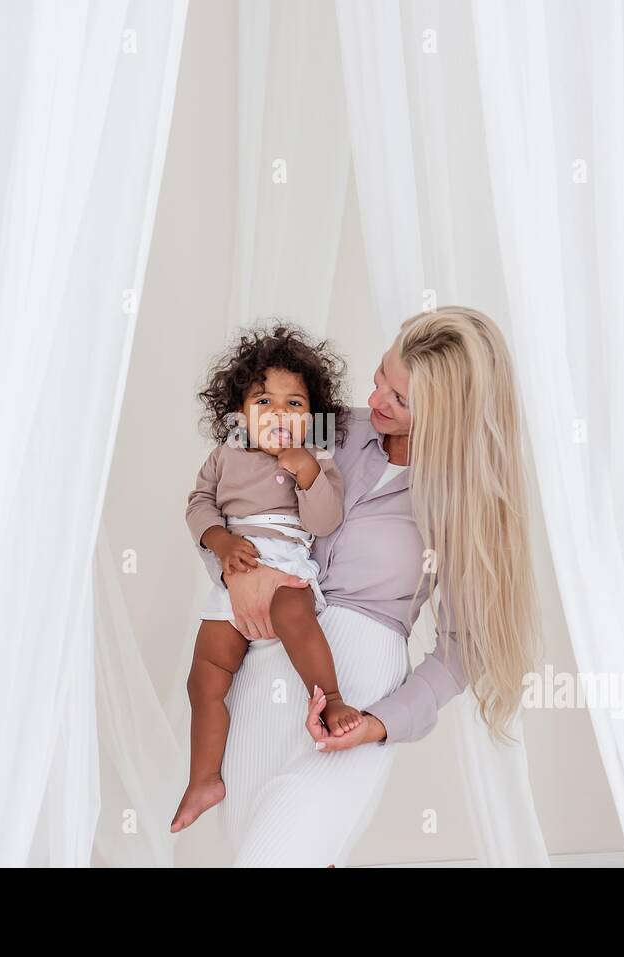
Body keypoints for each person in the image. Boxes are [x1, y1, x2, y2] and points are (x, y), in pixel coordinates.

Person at [203, 307, 540, 866]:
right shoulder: (336, 426)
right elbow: (223, 495)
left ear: (448, 415)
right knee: (250, 846)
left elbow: (465, 647)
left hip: (355, 693)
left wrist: (382, 725)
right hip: (264, 665)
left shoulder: (464, 503)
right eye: (383, 374)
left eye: (400, 399)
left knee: (276, 852)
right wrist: (234, 577)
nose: (376, 398)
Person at [171, 325, 362, 834]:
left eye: (294, 404)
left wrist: (307, 475)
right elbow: (198, 505)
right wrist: (220, 541)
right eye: (264, 401)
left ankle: (332, 697)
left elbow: (324, 523)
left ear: (313, 418)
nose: (279, 413)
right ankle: (204, 777)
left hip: (286, 563)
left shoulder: (317, 459)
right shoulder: (225, 455)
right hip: (235, 566)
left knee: (292, 613)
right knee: (205, 673)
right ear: (239, 414)